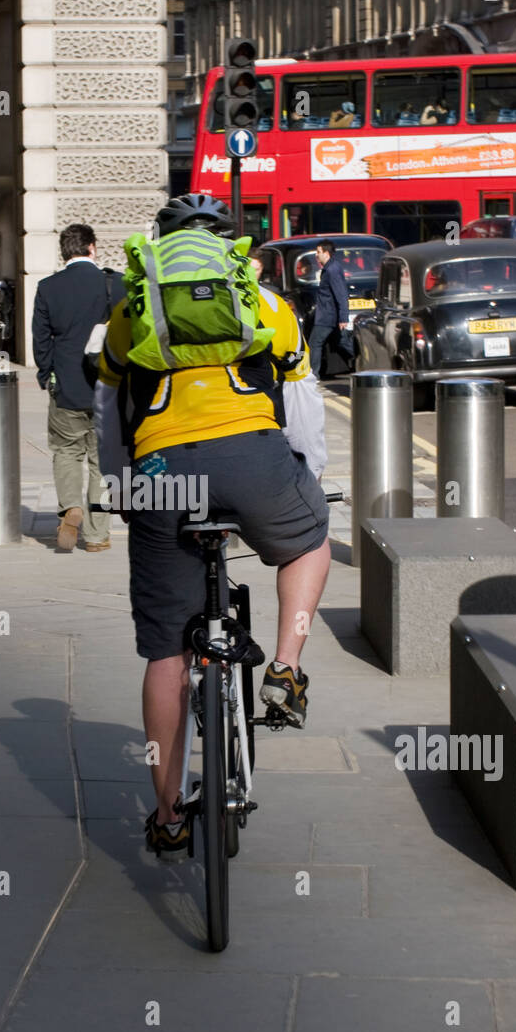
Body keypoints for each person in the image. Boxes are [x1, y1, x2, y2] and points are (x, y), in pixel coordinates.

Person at [93, 194, 330, 857]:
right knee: (309, 542)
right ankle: (285, 666)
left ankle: (167, 815)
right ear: (232, 248)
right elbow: (304, 403)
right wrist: (303, 473)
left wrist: (122, 485)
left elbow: (109, 409)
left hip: (163, 473)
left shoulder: (130, 310)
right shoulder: (266, 304)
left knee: (166, 651)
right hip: (254, 461)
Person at [32, 223, 112, 553]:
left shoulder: (48, 287)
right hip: (107, 388)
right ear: (92, 247)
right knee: (102, 463)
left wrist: (46, 375)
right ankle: (96, 536)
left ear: (64, 252)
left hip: (66, 386)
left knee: (66, 452)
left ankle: (70, 508)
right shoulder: (114, 284)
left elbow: (40, 341)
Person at [309, 240, 353, 377]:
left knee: (314, 343)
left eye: (319, 252)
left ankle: (312, 375)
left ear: (326, 254)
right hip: (330, 314)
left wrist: (343, 317)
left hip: (327, 315)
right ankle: (365, 362)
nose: (316, 255)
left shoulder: (332, 270)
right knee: (343, 341)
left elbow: (341, 294)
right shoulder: (330, 267)